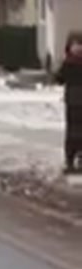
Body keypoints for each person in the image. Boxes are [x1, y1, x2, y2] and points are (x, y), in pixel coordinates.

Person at [56, 32, 82, 174]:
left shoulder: (69, 62)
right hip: (75, 101)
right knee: (76, 131)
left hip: (74, 100)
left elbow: (59, 79)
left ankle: (75, 159)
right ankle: (74, 159)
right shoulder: (69, 63)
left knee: (75, 131)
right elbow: (59, 79)